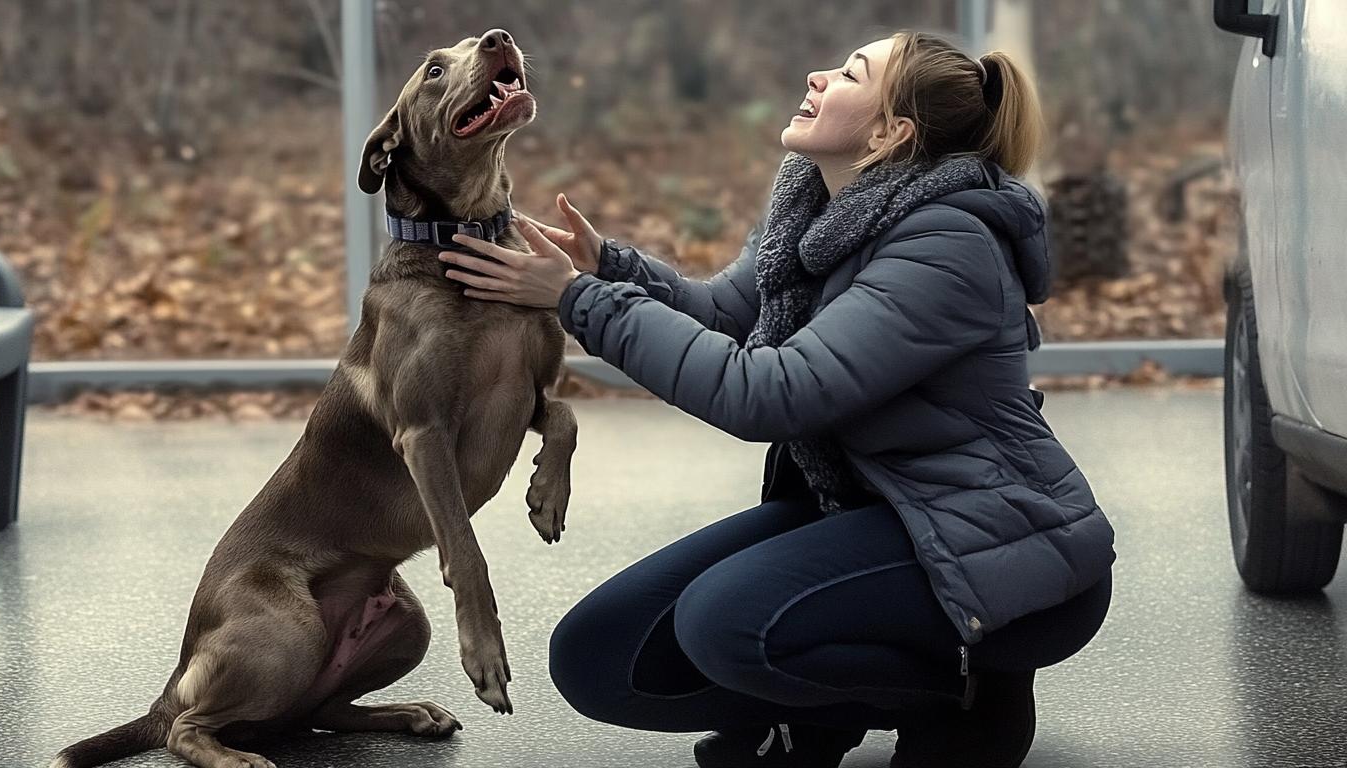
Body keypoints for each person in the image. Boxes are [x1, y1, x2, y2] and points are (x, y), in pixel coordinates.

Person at [435, 30, 1116, 768]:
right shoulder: (820, 205)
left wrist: (579, 301)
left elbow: (771, 393)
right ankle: (813, 719)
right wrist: (607, 267)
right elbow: (730, 313)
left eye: (852, 73)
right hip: (869, 509)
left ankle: (968, 694)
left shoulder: (948, 243)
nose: (819, 75)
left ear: (891, 134)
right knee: (596, 658)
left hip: (988, 544)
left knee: (724, 623)